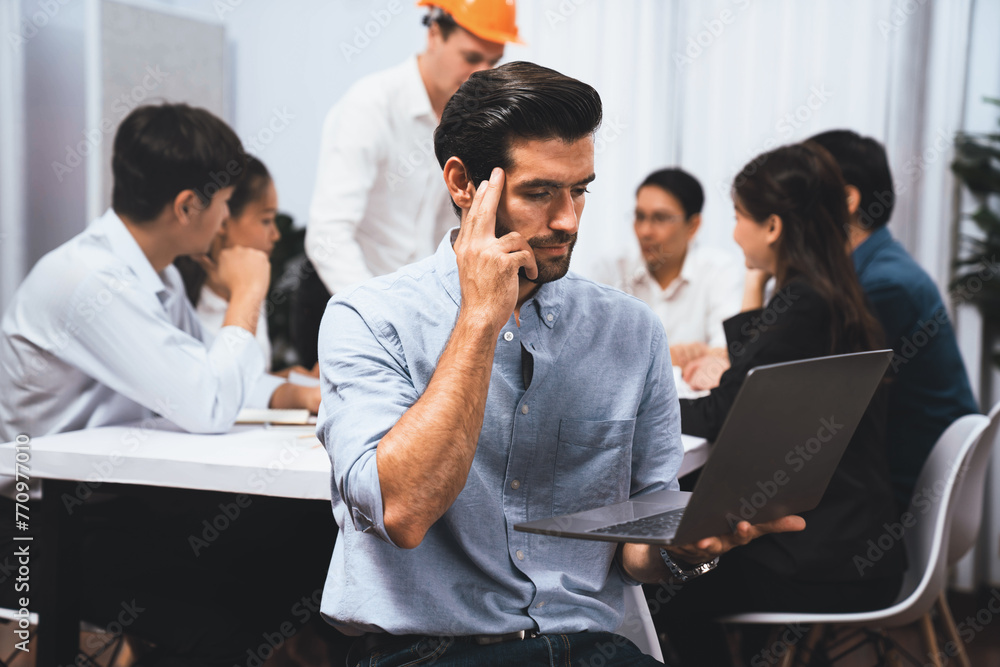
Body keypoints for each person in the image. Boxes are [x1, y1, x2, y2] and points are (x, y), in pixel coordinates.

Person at [316, 61, 803, 667]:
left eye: (580, 191)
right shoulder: (369, 318)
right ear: (464, 184)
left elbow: (637, 553)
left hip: (590, 648)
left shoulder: (630, 332)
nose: (569, 219)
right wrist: (479, 320)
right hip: (431, 653)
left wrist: (693, 546)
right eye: (540, 192)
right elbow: (404, 511)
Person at [0, 103, 334, 666]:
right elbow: (205, 401)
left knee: (304, 534)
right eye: (226, 204)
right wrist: (247, 293)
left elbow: (204, 375)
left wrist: (294, 394)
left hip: (119, 501)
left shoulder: (153, 273)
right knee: (250, 587)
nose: (228, 223)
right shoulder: (89, 282)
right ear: (187, 206)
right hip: (42, 528)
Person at [655, 142, 907, 666]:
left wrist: (642, 402)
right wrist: (757, 280)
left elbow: (722, 417)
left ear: (772, 227)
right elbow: (747, 398)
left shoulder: (803, 307)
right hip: (852, 547)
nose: (732, 232)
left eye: (739, 216)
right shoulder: (834, 297)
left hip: (821, 561)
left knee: (664, 584)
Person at [809, 129, 978, 509]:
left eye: (803, 189)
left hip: (900, 490)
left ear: (848, 199)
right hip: (894, 473)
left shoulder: (883, 286)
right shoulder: (875, 269)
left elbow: (815, 396)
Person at [305, 0, 521, 296]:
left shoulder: (476, 121)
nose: (481, 76)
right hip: (348, 293)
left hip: (421, 304)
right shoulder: (369, 107)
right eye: (471, 58)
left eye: (493, 62)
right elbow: (328, 235)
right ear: (434, 35)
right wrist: (371, 310)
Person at [174, 155, 321, 389]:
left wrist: (287, 379)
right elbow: (210, 392)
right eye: (266, 220)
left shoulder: (248, 285)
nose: (276, 234)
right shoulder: (179, 298)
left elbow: (244, 382)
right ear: (222, 219)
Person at [598, 168, 743, 389]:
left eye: (660, 218)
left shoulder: (720, 270)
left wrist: (637, 358)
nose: (645, 231)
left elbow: (726, 354)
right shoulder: (612, 269)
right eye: (640, 217)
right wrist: (669, 356)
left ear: (693, 226)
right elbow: (594, 356)